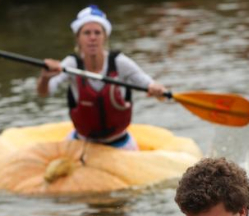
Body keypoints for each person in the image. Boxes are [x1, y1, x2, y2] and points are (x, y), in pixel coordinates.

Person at [36, 5, 167, 150]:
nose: (92, 38)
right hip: (81, 143)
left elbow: (146, 82)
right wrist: (45, 78)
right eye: (87, 33)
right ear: (78, 38)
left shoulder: (119, 62)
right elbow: (44, 92)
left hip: (119, 144)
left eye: (97, 32)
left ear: (105, 37)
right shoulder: (71, 64)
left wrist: (156, 88)